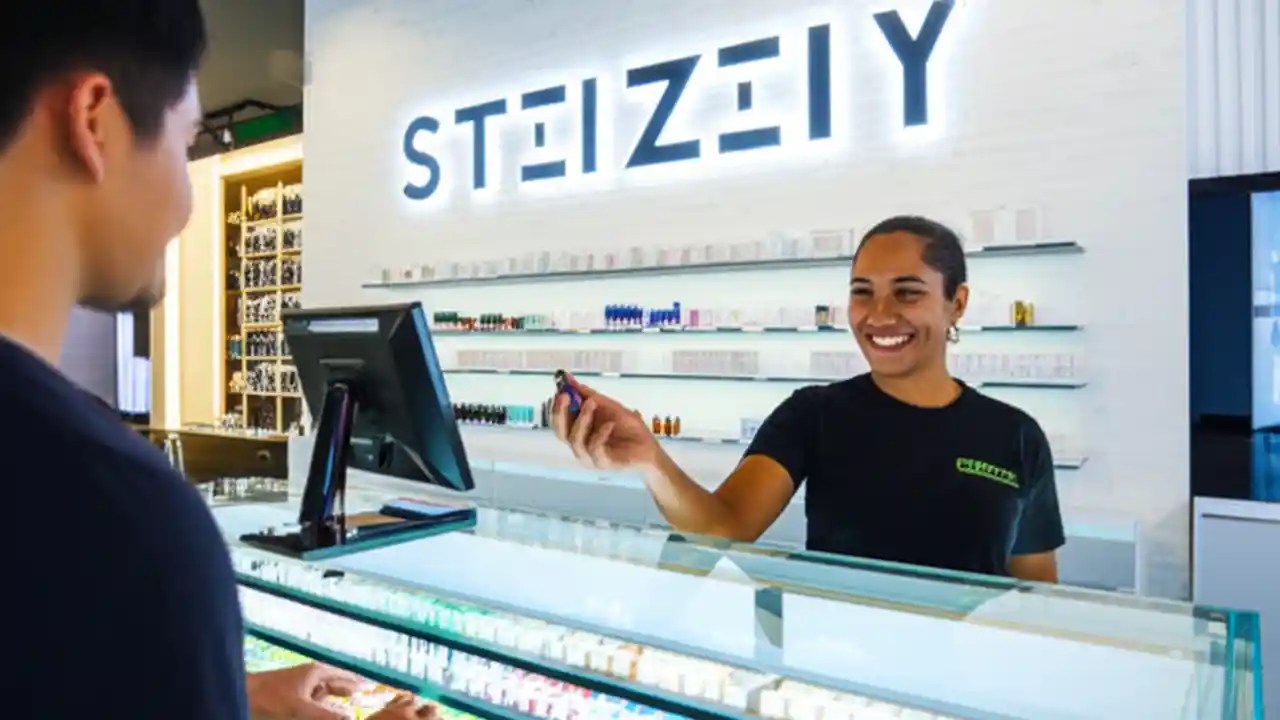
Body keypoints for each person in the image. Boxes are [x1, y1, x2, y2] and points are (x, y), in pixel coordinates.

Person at [1, 3, 431, 718]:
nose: (187, 205)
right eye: (187, 141)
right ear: (95, 120)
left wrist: (235, 697)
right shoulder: (123, 522)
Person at [553, 216, 1065, 582]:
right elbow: (725, 528)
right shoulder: (815, 414)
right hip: (836, 678)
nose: (879, 314)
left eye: (907, 292)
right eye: (862, 291)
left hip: (964, 688)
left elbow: (1035, 594)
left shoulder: (1014, 435)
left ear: (957, 303)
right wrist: (651, 460)